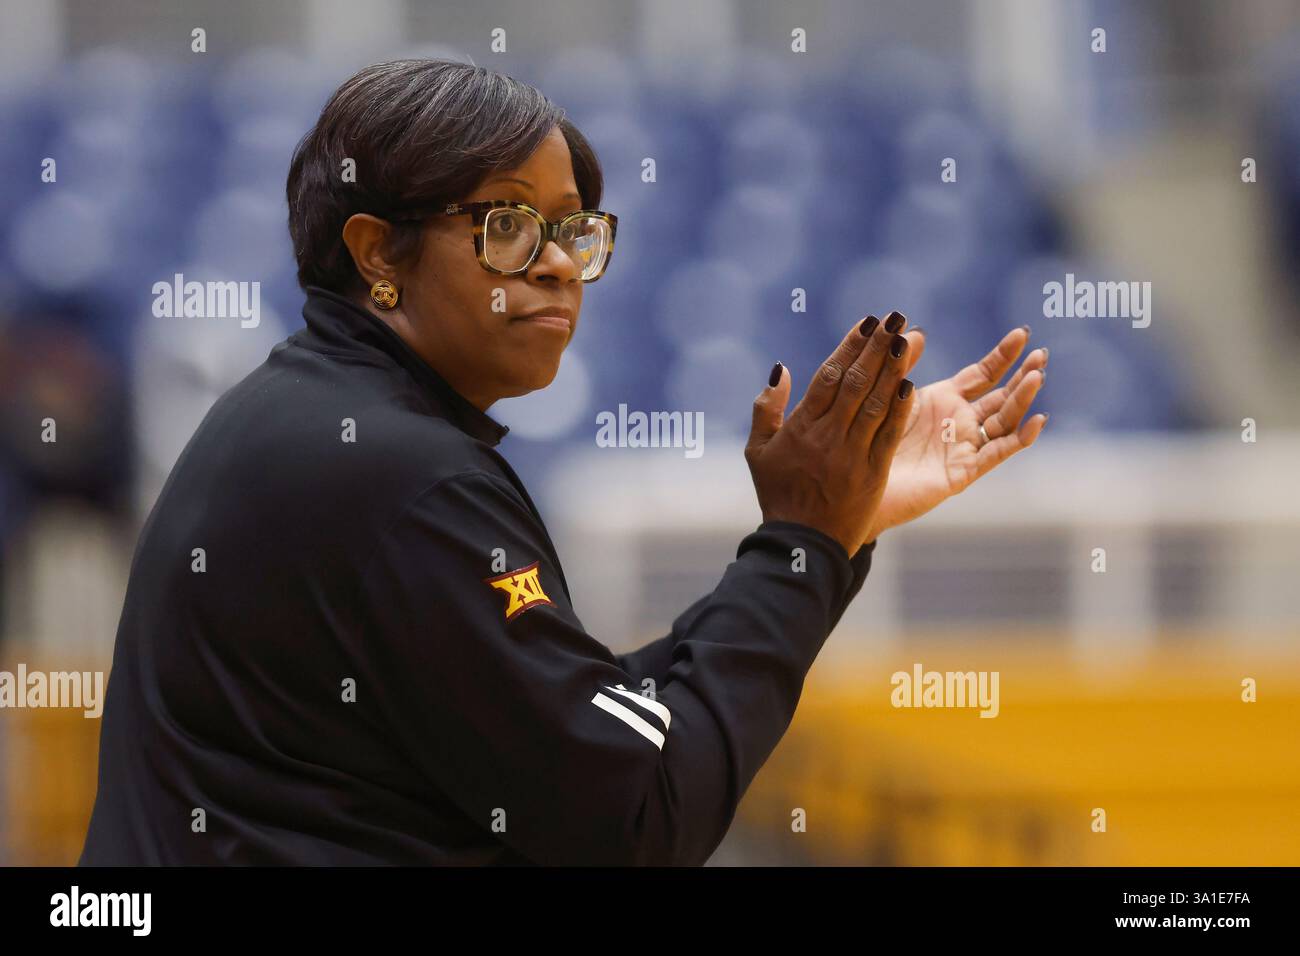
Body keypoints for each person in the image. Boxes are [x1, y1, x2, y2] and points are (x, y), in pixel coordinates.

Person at [79, 59, 1046, 866]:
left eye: (573, 230)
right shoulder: (400, 477)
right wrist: (803, 541)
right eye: (505, 225)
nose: (554, 264)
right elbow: (638, 813)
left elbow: (576, 724)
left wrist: (826, 538)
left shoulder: (311, 419)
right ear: (378, 253)